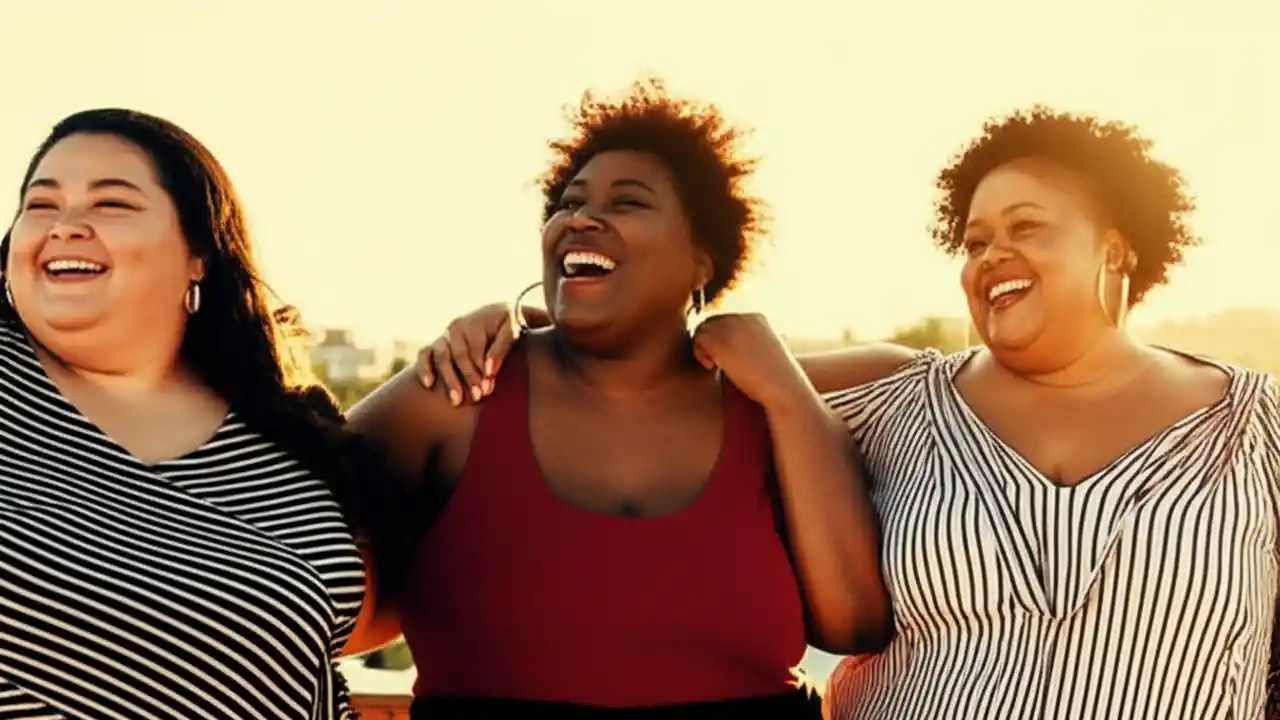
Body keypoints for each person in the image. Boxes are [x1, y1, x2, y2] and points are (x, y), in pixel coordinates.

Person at [419, 107, 1280, 719]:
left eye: (1028, 226)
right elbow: (659, 367)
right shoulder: (897, 396)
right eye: (975, 240)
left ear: (1117, 247)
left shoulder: (1258, 426)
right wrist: (510, 324)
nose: (993, 255)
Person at [347, 79, 891, 719]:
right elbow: (293, 542)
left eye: (627, 201)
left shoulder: (769, 401)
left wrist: (786, 390)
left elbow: (852, 625)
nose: (580, 218)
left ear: (701, 262)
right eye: (568, 204)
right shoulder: (459, 391)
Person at [0, 109, 402, 720]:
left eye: (111, 204)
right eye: (41, 204)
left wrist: (502, 333)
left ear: (199, 253)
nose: (66, 227)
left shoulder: (288, 432)